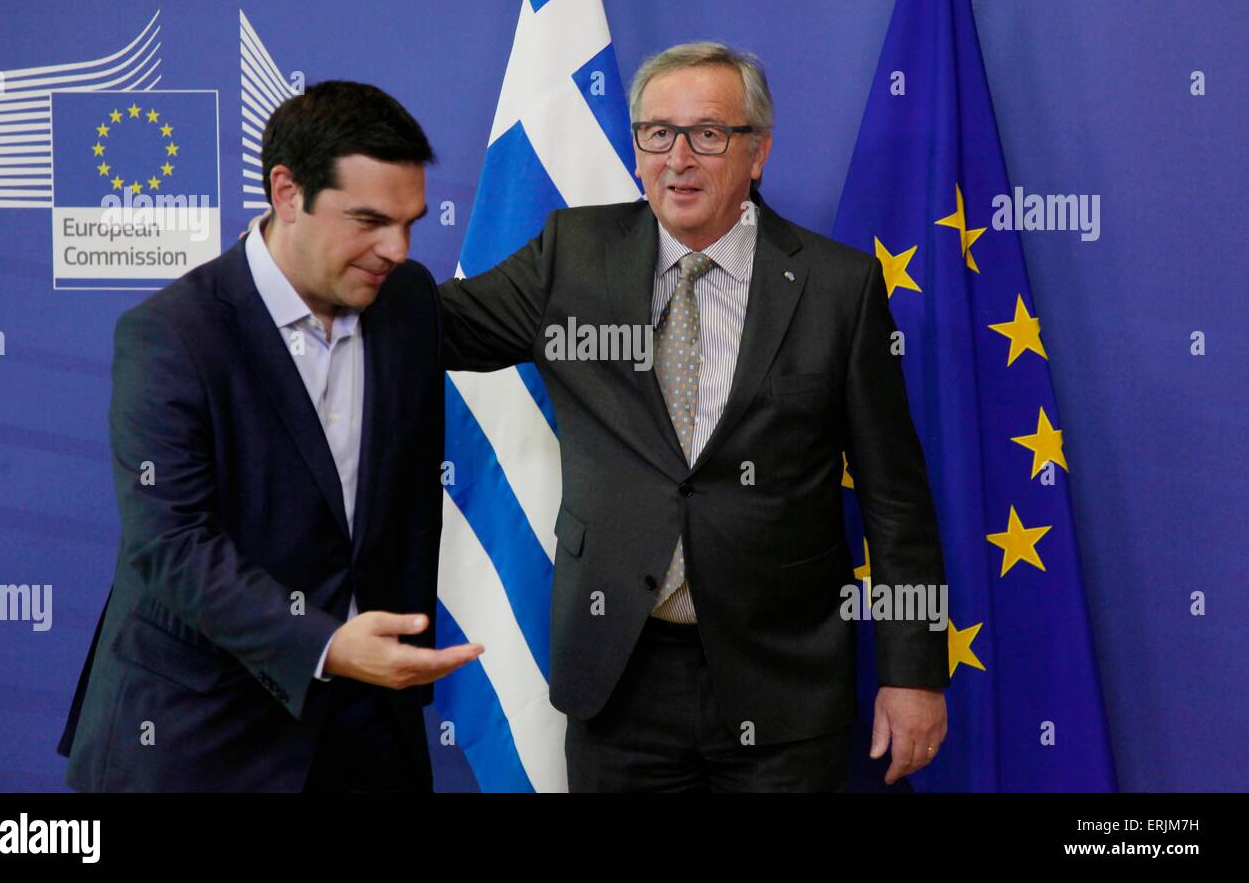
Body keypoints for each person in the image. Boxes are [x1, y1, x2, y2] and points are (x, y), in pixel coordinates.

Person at [439, 42, 949, 792]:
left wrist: (914, 675)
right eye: (656, 133)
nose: (678, 158)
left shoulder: (839, 287)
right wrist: (316, 265)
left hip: (783, 690)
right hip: (618, 679)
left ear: (758, 153)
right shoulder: (571, 257)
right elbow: (433, 327)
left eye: (707, 134)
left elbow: (895, 500)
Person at [57, 81, 482, 792]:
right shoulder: (172, 336)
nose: (396, 248)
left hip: (369, 733)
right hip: (202, 734)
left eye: (411, 221)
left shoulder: (407, 302)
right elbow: (170, 545)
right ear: (288, 193)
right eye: (369, 220)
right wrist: (326, 646)